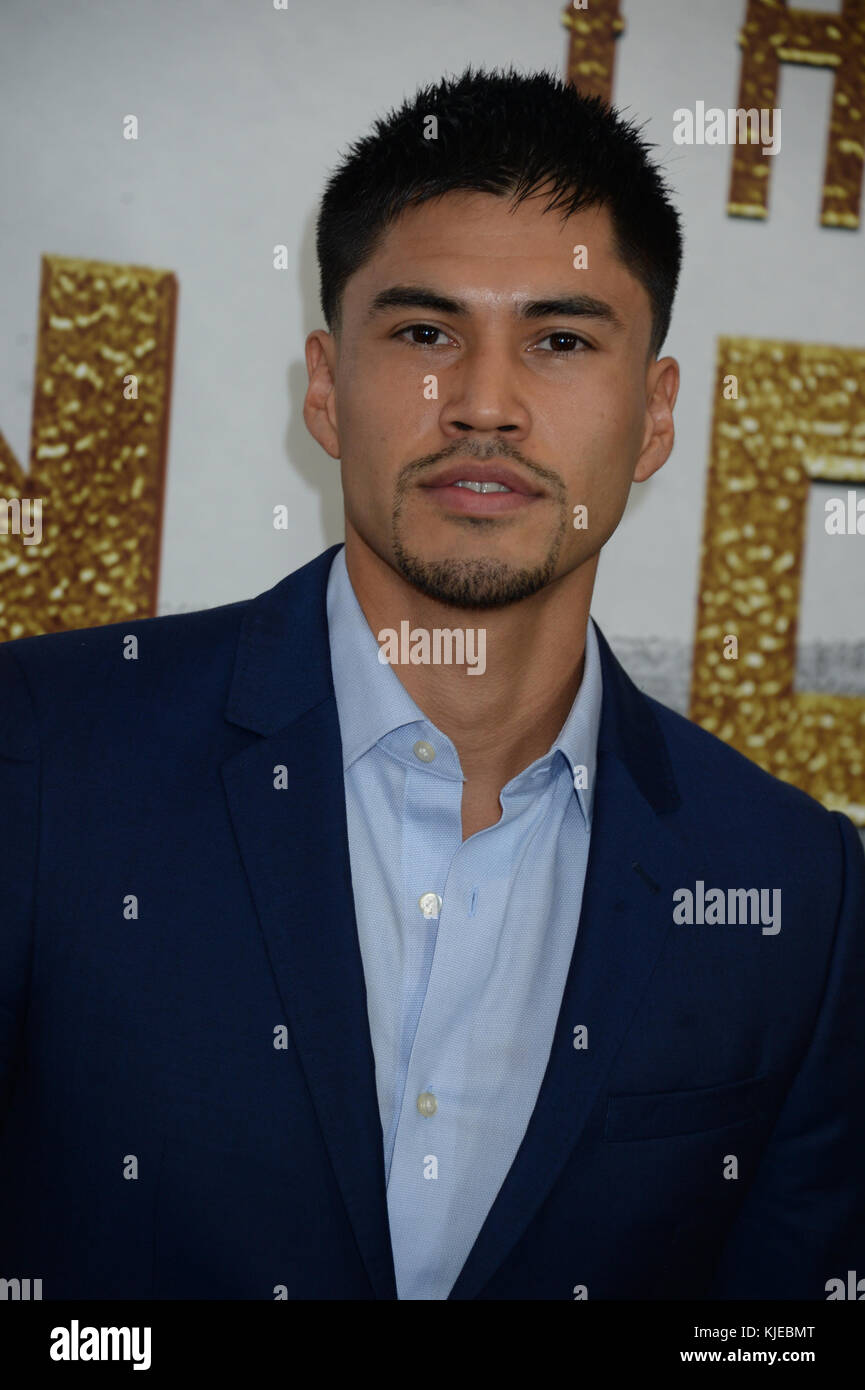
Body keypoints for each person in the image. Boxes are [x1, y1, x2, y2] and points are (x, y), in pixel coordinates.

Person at [0, 66, 862, 1302]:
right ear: (322, 385)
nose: (483, 405)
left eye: (560, 340)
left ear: (657, 414)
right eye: (422, 333)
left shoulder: (796, 889)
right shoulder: (44, 754)